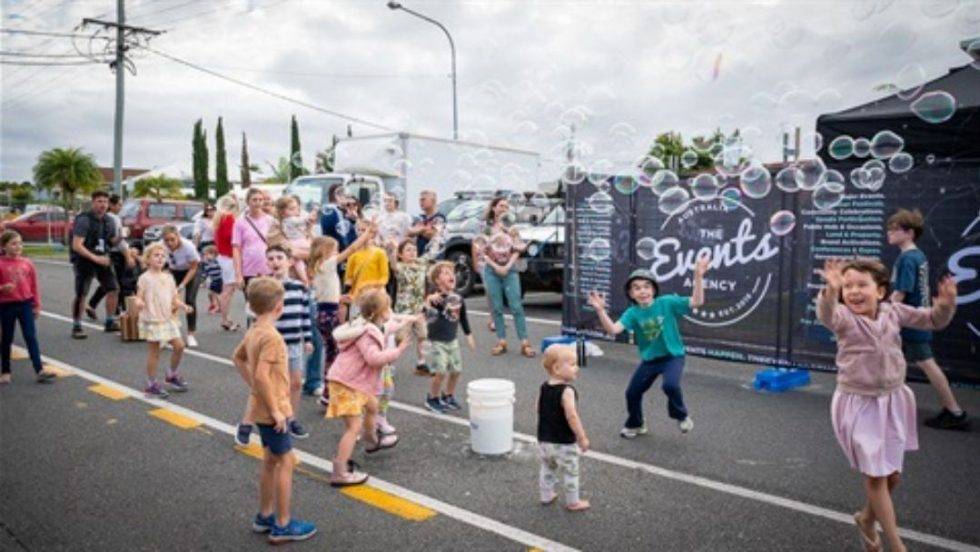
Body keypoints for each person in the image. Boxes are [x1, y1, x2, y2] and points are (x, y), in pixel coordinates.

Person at [816, 258, 957, 552]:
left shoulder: (893, 312)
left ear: (880, 291)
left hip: (892, 399)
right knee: (877, 476)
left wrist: (945, 305)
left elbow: (933, 320)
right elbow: (827, 314)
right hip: (858, 403)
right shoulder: (844, 317)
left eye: (861, 285)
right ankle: (896, 546)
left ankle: (866, 519)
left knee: (893, 475)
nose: (853, 291)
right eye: (848, 286)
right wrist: (830, 291)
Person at [231, 277, 317, 543]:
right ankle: (282, 524)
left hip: (262, 407)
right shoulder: (273, 338)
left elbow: (238, 358)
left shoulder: (254, 330)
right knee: (286, 462)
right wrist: (277, 410)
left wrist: (256, 391)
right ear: (279, 306)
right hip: (273, 410)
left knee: (270, 460)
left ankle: (265, 515)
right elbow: (261, 376)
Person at [588, 257, 709, 439]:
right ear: (631, 293)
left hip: (672, 357)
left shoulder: (666, 302)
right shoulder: (633, 313)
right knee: (632, 393)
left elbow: (697, 302)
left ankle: (681, 415)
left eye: (646, 286)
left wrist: (698, 276)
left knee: (670, 385)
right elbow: (613, 329)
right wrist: (600, 311)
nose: (642, 291)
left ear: (653, 290)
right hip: (650, 360)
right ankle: (636, 424)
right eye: (636, 288)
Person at [886, 209, 969, 430]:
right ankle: (892, 407)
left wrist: (882, 310)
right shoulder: (919, 255)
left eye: (895, 229)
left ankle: (954, 411)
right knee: (896, 361)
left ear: (909, 233)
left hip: (910, 320)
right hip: (918, 317)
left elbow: (901, 292)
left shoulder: (907, 259)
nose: (889, 233)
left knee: (927, 363)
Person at [326, 288, 409, 486]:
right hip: (346, 383)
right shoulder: (367, 334)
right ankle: (340, 470)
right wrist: (397, 351)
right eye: (388, 307)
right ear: (381, 312)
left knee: (372, 405)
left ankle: (371, 441)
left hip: (353, 381)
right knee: (353, 427)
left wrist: (408, 321)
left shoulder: (367, 325)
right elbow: (373, 359)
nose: (390, 311)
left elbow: (387, 328)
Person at [308, 231, 372, 408]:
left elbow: (325, 294)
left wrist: (339, 298)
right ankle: (332, 394)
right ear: (324, 251)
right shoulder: (327, 264)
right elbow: (351, 249)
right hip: (330, 315)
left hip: (324, 311)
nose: (338, 253)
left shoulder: (319, 267)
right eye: (335, 250)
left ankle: (329, 393)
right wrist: (367, 236)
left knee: (331, 353)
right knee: (338, 355)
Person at [478, 197, 535, 357]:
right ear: (494, 208)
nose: (504, 208)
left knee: (516, 305)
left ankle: (524, 342)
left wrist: (507, 266)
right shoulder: (486, 228)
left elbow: (518, 249)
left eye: (506, 206)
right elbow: (482, 251)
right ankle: (501, 340)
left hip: (510, 270)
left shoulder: (512, 227)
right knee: (496, 307)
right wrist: (496, 267)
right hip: (492, 270)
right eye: (501, 205)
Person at [133, 243, 192, 398]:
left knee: (179, 346)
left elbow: (174, 299)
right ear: (147, 259)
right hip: (153, 319)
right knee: (155, 352)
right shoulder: (144, 278)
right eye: (156, 255)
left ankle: (171, 374)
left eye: (162, 256)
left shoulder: (168, 277)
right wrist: (138, 303)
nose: (160, 258)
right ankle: (151, 384)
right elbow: (138, 297)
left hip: (167, 318)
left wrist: (183, 306)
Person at [537, 345, 590, 512]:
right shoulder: (567, 391)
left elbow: (538, 407)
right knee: (570, 470)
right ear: (557, 368)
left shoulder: (544, 386)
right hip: (563, 441)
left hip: (544, 439)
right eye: (573, 364)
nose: (577, 367)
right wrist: (582, 437)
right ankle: (573, 501)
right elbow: (571, 416)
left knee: (547, 467)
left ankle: (546, 494)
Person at [0, 230, 55, 384]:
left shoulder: (27, 263)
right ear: (4, 246)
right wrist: (2, 288)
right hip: (6, 305)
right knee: (6, 338)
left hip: (25, 304)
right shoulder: (1, 263)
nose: (18, 246)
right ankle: (5, 370)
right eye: (13, 243)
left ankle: (39, 370)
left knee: (31, 336)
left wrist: (36, 305)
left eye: (20, 243)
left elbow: (34, 285)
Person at [422, 261, 476, 413]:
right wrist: (428, 301)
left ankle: (448, 395)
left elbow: (463, 317)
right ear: (437, 281)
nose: (451, 275)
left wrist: (469, 334)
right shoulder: (436, 299)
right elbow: (425, 312)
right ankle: (432, 398)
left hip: (452, 340)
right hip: (437, 341)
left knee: (456, 370)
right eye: (445, 273)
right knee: (440, 372)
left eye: (451, 273)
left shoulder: (458, 298)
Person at [71, 190, 123, 338]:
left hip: (102, 258)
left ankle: (109, 321)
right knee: (82, 293)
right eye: (99, 201)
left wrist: (121, 236)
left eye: (105, 202)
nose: (103, 205)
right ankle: (77, 325)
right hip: (84, 260)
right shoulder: (84, 220)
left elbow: (112, 241)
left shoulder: (109, 220)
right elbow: (77, 245)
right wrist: (96, 258)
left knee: (113, 289)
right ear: (93, 202)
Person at [390, 238, 435, 375]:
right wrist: (394, 248)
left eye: (414, 249)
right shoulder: (400, 267)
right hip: (403, 311)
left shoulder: (421, 263)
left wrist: (438, 235)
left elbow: (432, 251)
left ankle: (421, 363)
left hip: (419, 309)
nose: (412, 252)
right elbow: (392, 263)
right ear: (400, 254)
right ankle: (389, 364)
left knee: (423, 335)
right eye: (408, 250)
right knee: (400, 338)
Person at [85, 193, 132, 319]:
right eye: (119, 205)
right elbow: (119, 241)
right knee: (117, 284)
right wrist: (128, 255)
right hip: (116, 253)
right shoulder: (113, 219)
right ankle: (117, 312)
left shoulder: (107, 218)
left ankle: (92, 304)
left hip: (108, 252)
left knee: (110, 283)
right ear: (111, 205)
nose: (120, 207)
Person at [234, 188, 273, 323]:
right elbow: (236, 249)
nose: (257, 203)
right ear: (247, 202)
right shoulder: (240, 222)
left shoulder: (270, 221)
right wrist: (238, 274)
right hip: (249, 270)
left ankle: (266, 339)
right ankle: (253, 340)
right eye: (254, 200)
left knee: (268, 307)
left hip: (269, 269)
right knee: (252, 309)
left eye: (260, 200)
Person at [162, 225, 201, 348]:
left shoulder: (188, 247)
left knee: (189, 300)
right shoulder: (162, 245)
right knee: (168, 301)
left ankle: (191, 334)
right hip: (174, 271)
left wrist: (183, 284)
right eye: (166, 240)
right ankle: (167, 334)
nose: (169, 243)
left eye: (172, 239)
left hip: (191, 271)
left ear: (178, 237)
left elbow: (194, 267)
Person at [269, 196, 314, 283]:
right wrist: (313, 254)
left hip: (308, 273)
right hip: (288, 277)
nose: (296, 211)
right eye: (292, 209)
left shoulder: (299, 224)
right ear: (282, 212)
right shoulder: (276, 227)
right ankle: (304, 279)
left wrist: (309, 229)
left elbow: (313, 244)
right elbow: (293, 252)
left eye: (297, 208)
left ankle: (305, 279)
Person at [343, 219, 388, 305]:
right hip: (357, 297)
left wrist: (367, 285)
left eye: (364, 230)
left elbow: (384, 278)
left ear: (372, 233)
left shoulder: (380, 252)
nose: (361, 233)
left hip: (375, 296)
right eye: (359, 230)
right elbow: (349, 278)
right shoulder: (352, 254)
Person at [213, 195, 240, 331]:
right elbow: (233, 238)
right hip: (230, 258)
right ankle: (225, 319)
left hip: (223, 257)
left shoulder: (219, 218)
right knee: (228, 291)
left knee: (227, 290)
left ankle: (226, 318)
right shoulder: (228, 219)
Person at [407, 189, 445, 257]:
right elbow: (409, 232)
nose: (420, 202)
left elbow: (433, 235)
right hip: (419, 255)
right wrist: (424, 229)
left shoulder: (439, 218)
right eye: (420, 200)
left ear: (433, 201)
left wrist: (419, 229)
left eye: (423, 200)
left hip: (434, 256)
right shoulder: (419, 218)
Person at [200, 245, 223, 314]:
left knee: (216, 295)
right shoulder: (206, 264)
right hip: (213, 280)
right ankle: (214, 304)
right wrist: (202, 282)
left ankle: (218, 307)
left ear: (214, 254)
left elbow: (223, 269)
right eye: (204, 255)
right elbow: (205, 273)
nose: (205, 256)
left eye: (207, 254)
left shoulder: (217, 261)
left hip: (220, 280)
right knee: (210, 294)